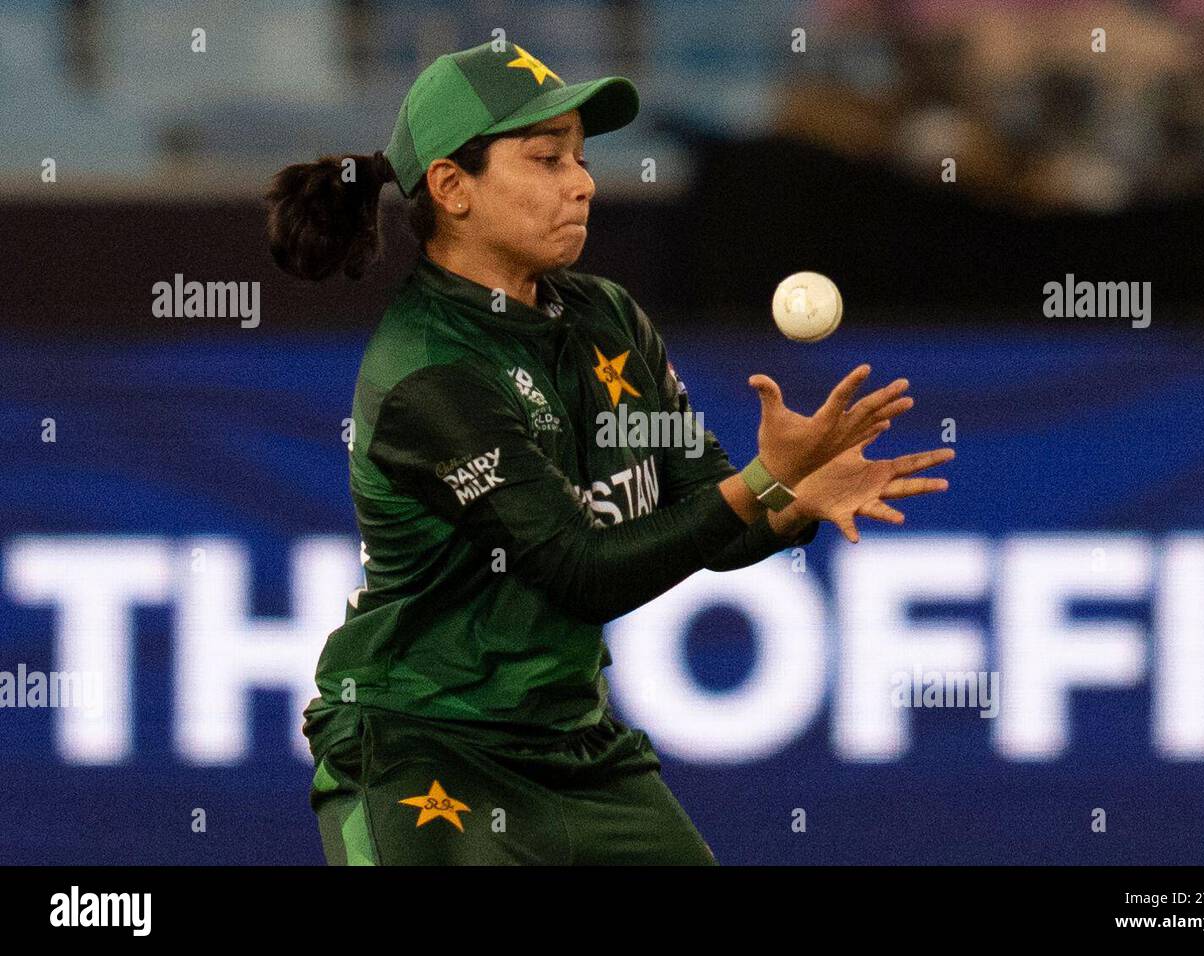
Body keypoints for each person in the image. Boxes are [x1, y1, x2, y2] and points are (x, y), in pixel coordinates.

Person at [266, 39, 954, 865]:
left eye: (581, 158)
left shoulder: (607, 319)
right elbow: (579, 569)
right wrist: (764, 481)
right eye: (546, 159)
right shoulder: (430, 372)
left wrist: (789, 501)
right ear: (451, 188)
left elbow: (708, 509)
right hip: (421, 748)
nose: (583, 182)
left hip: (574, 749)